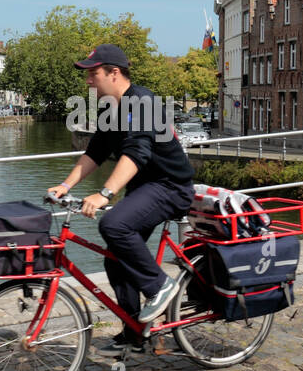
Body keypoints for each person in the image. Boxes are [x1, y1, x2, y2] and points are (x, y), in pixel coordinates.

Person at [47, 44, 194, 351]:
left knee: (113, 225)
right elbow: (96, 152)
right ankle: (135, 331)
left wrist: (104, 193)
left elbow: (137, 153)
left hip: (170, 187)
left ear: (113, 73)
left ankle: (160, 286)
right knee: (116, 259)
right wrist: (66, 184)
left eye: (93, 74)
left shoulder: (142, 102)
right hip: (146, 188)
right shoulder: (110, 108)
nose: (88, 81)